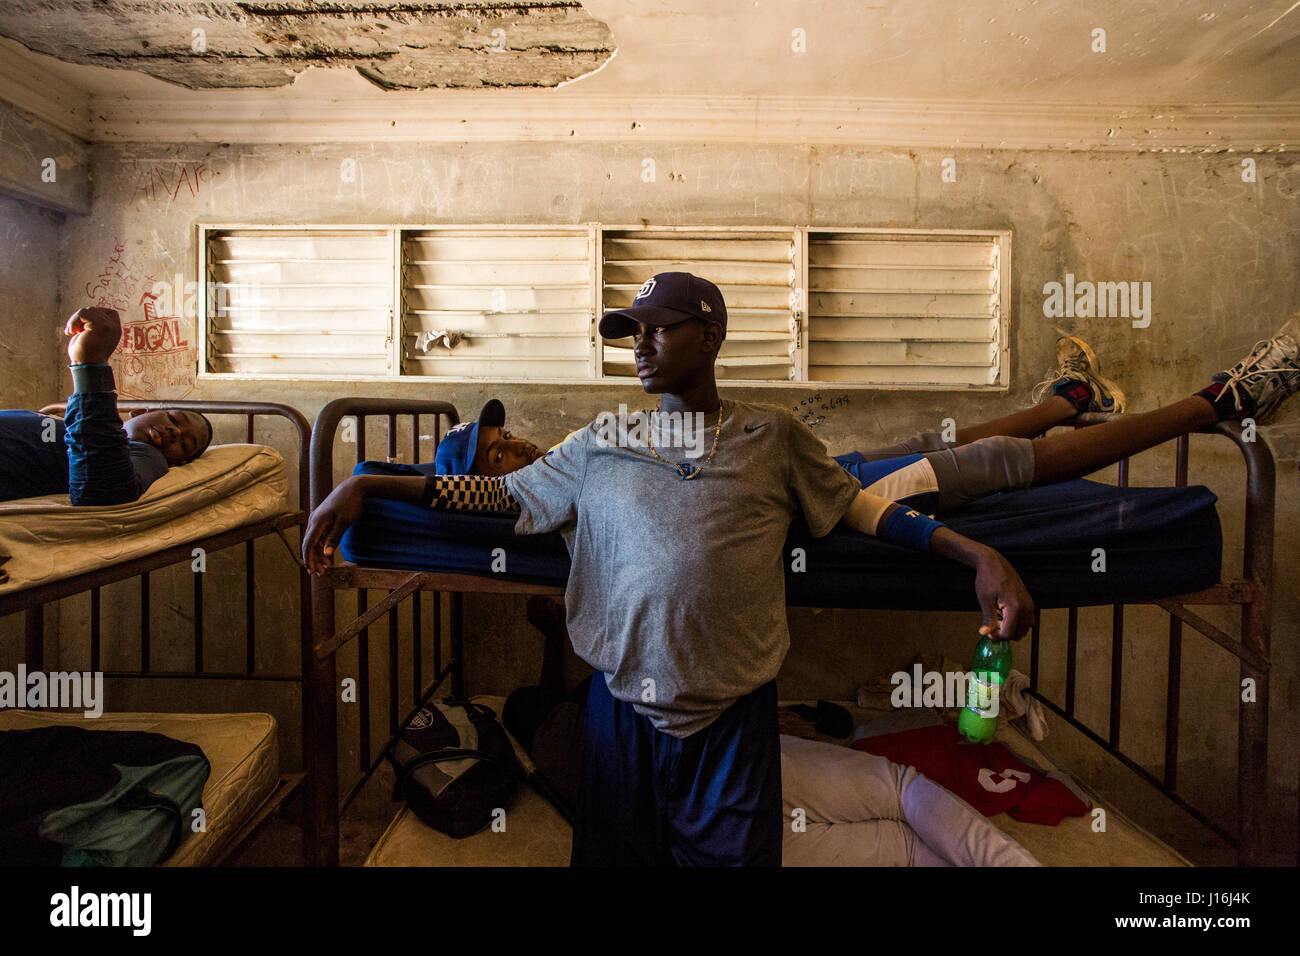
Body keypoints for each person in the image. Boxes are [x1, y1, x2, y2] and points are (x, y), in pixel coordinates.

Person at [304, 271, 1035, 867]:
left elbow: (861, 509)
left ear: (711, 335)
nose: (641, 345)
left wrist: (975, 553)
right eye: (631, 333)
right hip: (621, 711)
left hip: (730, 715)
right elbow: (494, 494)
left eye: (658, 327)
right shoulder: (601, 442)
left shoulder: (770, 436)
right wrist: (367, 485)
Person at [434, 317, 1300, 517]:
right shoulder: (548, 499)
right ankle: (1223, 400)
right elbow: (467, 504)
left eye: (500, 432)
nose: (509, 442)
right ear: (491, 480)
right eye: (494, 451)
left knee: (938, 441)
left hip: (814, 474)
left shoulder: (589, 455)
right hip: (832, 511)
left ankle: (1069, 402)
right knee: (992, 465)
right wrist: (372, 488)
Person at [0, 307, 213, 506]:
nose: (175, 432)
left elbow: (102, 492)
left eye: (185, 445)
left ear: (177, 463)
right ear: (140, 412)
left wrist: (90, 366)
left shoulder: (147, 456)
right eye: (174, 419)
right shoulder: (67, 422)